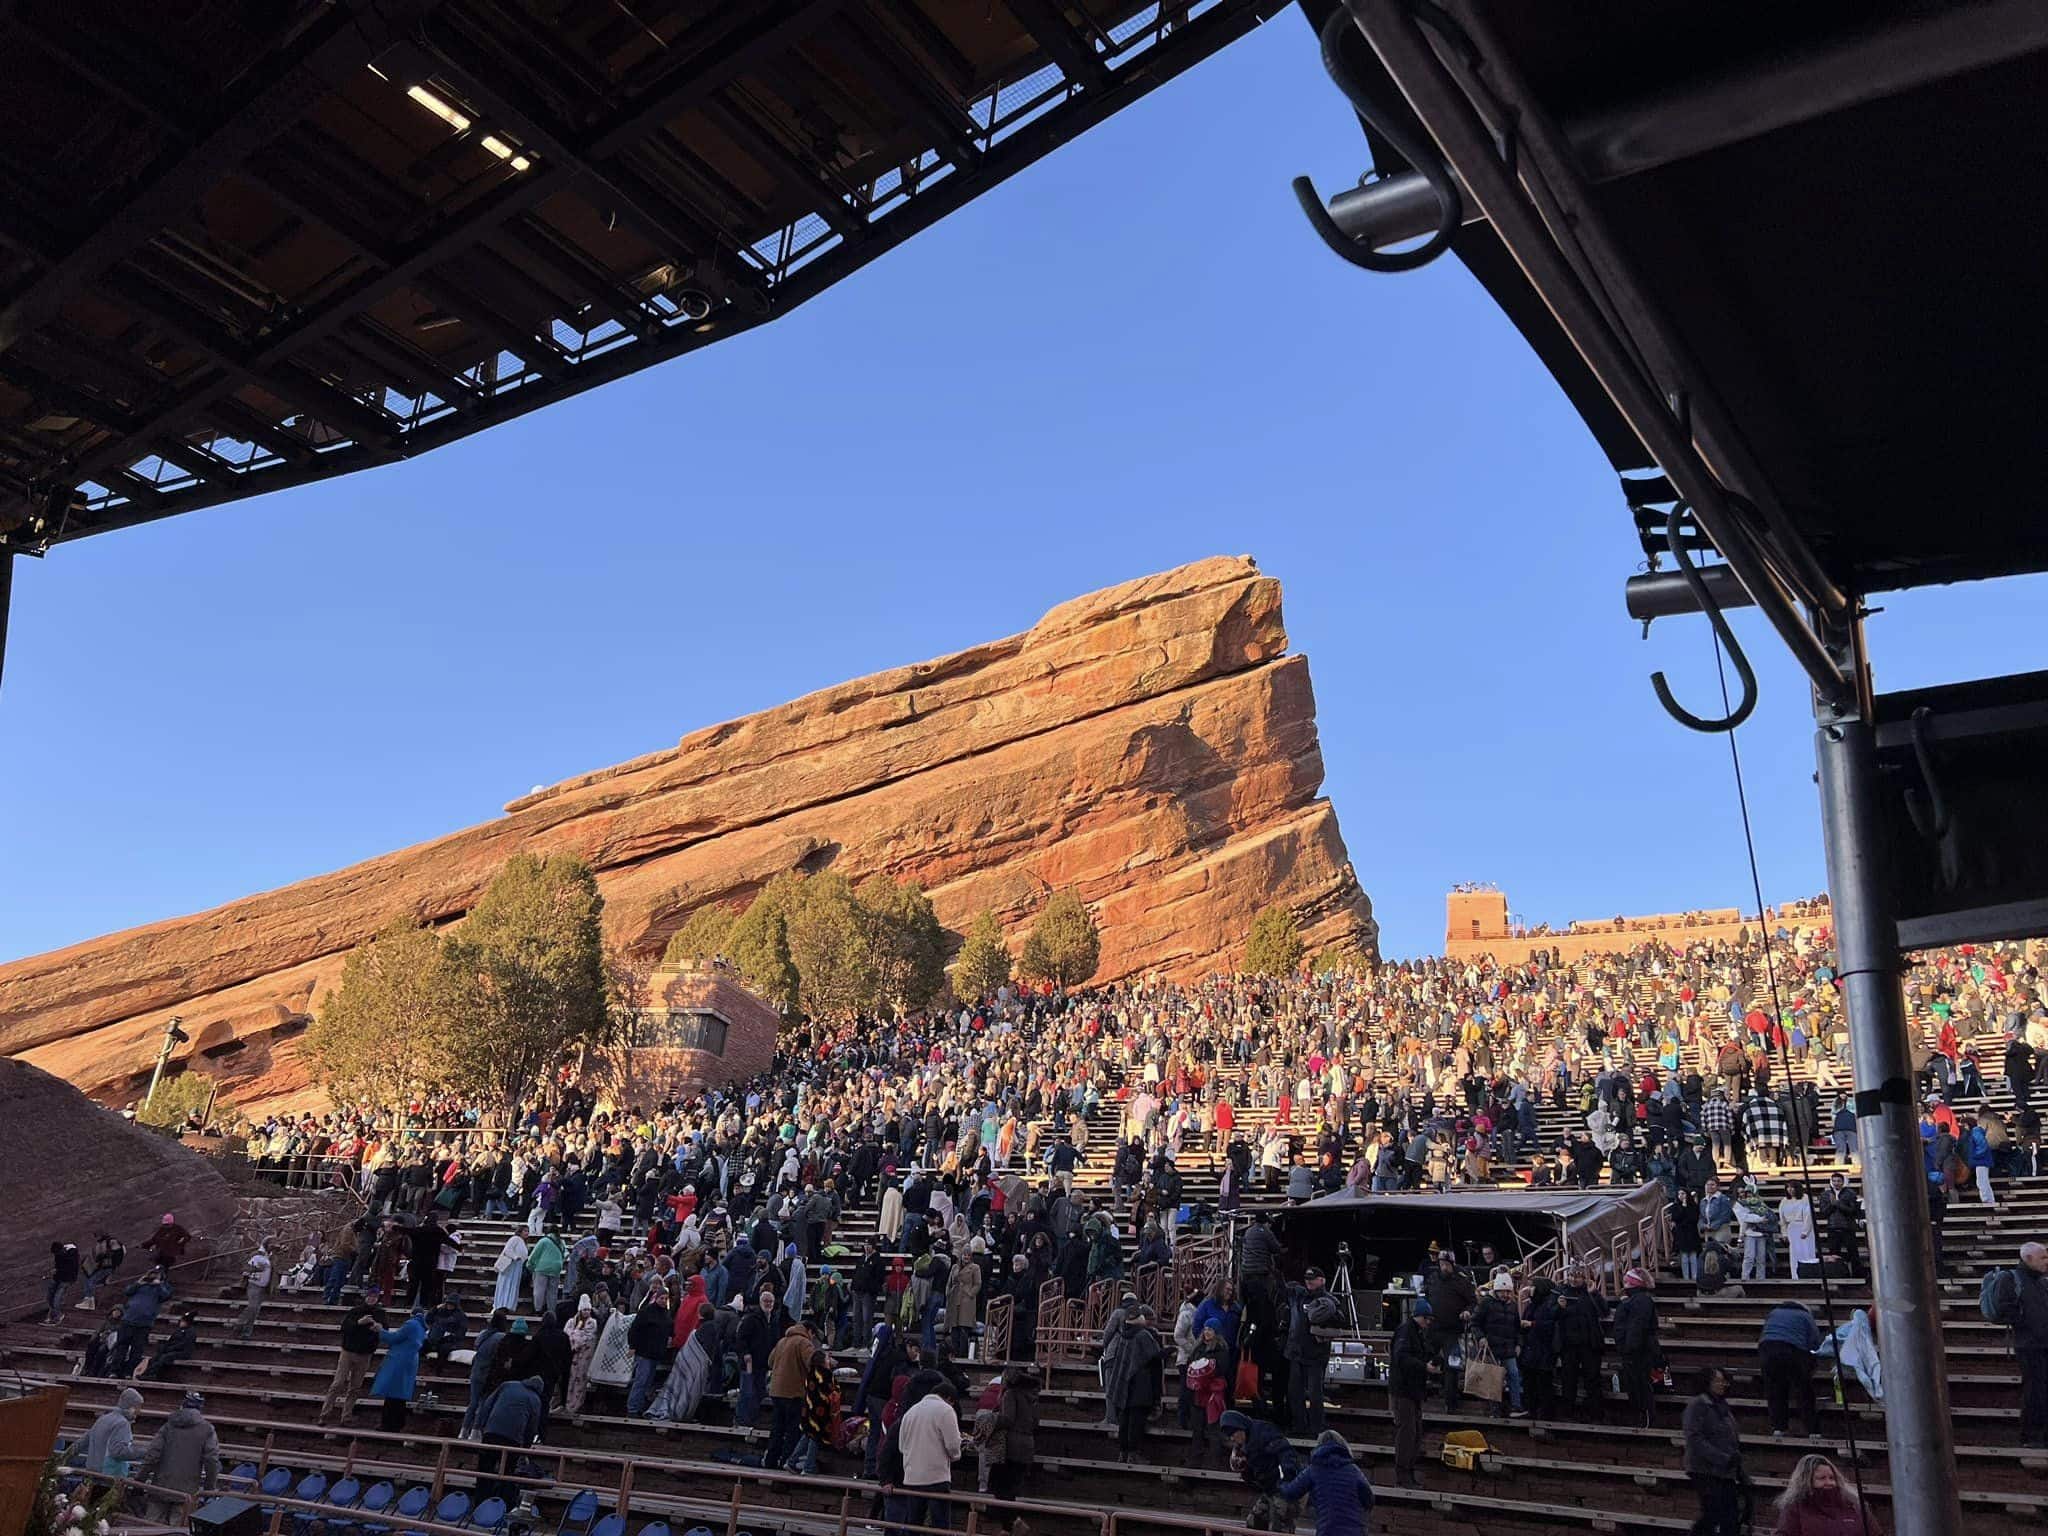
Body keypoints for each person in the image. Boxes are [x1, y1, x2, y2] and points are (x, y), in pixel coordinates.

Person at [1681, 1367, 1748, 1536]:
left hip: (1726, 1471)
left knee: (1731, 1516)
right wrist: (1722, 1458)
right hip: (1705, 1470)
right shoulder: (1697, 1404)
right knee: (1713, 1515)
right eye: (1718, 1381)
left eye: (1724, 1381)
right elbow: (1694, 1438)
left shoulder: (1722, 1406)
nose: (1722, 1384)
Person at [136, 1391, 220, 1524]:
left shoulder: (168, 1426)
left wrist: (140, 1480)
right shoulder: (207, 1430)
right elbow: (211, 1460)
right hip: (187, 1492)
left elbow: (152, 1455)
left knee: (149, 1526)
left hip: (160, 1487)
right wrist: (209, 1489)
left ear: (182, 1405)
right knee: (177, 1530)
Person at [1276, 1430, 1374, 1536]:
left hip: (1327, 1530)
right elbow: (1369, 1499)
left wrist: (1280, 1481)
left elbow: (1290, 1492)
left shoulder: (1314, 1469)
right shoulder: (1354, 1470)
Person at [897, 1376, 963, 1533]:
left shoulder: (911, 1411)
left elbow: (901, 1446)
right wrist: (955, 1456)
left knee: (913, 1524)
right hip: (937, 1477)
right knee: (940, 1525)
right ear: (948, 1398)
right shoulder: (946, 1410)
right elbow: (953, 1445)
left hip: (912, 1476)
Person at [1218, 1409, 1303, 1530]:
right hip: (1269, 1489)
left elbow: (1286, 1454)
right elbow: (1254, 1478)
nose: (1232, 1439)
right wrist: (1245, 1471)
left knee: (1279, 1526)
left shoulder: (1264, 1432)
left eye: (1233, 1434)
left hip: (1286, 1487)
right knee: (1253, 1524)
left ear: (1240, 1428)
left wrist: (1286, 1483)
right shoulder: (1242, 1446)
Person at [1103, 1304, 1164, 1463]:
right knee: (1136, 1420)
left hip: (1124, 1383)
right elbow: (1154, 1357)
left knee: (1125, 1418)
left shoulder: (1123, 1334)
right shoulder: (1143, 1335)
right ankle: (1133, 1454)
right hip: (1140, 1383)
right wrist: (1168, 1351)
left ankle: (1122, 1453)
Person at [1284, 1267, 1341, 1434]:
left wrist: (1323, 1319)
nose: (1309, 1281)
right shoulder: (1298, 1295)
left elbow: (1340, 1322)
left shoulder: (1329, 1300)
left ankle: (1317, 1428)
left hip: (1316, 1355)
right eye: (1307, 1278)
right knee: (1295, 1393)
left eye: (1313, 1278)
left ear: (1322, 1280)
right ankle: (1299, 1426)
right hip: (1296, 1352)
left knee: (1315, 1394)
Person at [475, 1374, 546, 1505]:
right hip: (513, 1439)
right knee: (507, 1473)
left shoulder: (508, 1385)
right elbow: (532, 1426)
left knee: (484, 1469)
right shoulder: (535, 1399)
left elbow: (487, 1405)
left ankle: (479, 1503)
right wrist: (526, 1448)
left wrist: (480, 1426)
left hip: (491, 1433)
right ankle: (501, 1504)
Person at [1773, 1453, 1883, 1535]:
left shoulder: (1855, 1506)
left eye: (1832, 1478)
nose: (1829, 1482)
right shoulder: (1794, 1509)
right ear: (1806, 1481)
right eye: (1821, 1478)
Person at [1758, 1300, 1823, 1439]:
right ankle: (1813, 1430)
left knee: (1774, 1390)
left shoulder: (1774, 1313)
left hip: (1767, 1349)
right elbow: (1815, 1341)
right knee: (1803, 1390)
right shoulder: (1805, 1316)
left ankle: (1779, 1428)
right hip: (1792, 1350)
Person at [1386, 1301, 1433, 1489]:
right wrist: (1424, 1367)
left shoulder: (1416, 1333)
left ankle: (1408, 1473)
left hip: (1412, 1391)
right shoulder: (1407, 1331)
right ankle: (1403, 1475)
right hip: (1403, 1390)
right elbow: (1402, 1358)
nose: (1428, 1323)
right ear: (1420, 1316)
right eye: (1427, 1319)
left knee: (1414, 1433)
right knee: (1407, 1433)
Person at [318, 1298, 384, 1426]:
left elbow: (384, 1330)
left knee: (355, 1387)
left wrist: (379, 1328)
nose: (372, 1298)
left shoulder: (380, 1313)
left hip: (365, 1354)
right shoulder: (355, 1311)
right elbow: (344, 1328)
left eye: (375, 1295)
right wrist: (359, 1323)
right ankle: (324, 1415)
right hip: (348, 1351)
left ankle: (346, 1417)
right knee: (338, 1383)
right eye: (370, 1295)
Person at [2008, 1241, 2048, 1447]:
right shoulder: (2018, 1280)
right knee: (2035, 1392)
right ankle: (2032, 1436)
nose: (2047, 1261)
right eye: (2043, 1257)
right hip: (2030, 1345)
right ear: (2028, 1259)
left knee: (2040, 1390)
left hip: (2040, 1344)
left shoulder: (2039, 1281)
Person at [1613, 1269, 1661, 1428]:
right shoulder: (1638, 1300)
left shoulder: (1639, 1301)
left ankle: (1646, 1418)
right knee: (1637, 1386)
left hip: (1636, 1353)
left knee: (1639, 1386)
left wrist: (1628, 1348)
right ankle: (1643, 1416)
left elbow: (1636, 1327)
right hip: (1635, 1350)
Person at [765, 1317, 814, 1470]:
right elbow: (812, 1363)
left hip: (776, 1391)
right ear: (809, 1331)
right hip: (794, 1392)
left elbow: (770, 1362)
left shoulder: (782, 1341)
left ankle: (770, 1461)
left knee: (777, 1429)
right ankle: (786, 1461)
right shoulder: (804, 1342)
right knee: (793, 1430)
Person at [371, 1307, 428, 1431]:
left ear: (412, 1314)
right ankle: (398, 1424)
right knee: (400, 1394)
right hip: (410, 1361)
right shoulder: (422, 1328)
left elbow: (394, 1338)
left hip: (399, 1360)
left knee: (391, 1393)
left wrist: (380, 1330)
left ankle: (387, 1424)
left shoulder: (411, 1324)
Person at [111, 1268, 175, 1379]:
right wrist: (139, 1282)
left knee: (137, 1350)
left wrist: (158, 1284)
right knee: (121, 1348)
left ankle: (129, 1372)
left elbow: (166, 1296)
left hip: (144, 1324)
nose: (153, 1276)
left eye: (156, 1274)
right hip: (128, 1321)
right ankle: (114, 1371)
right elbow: (127, 1291)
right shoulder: (140, 1285)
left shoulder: (162, 1288)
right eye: (152, 1274)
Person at [988, 1366, 1039, 1501]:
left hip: (1010, 1447)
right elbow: (1036, 1422)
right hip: (1027, 1445)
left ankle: (1007, 1520)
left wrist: (991, 1421)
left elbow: (1008, 1419)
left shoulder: (1010, 1394)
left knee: (1001, 1488)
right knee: (1014, 1488)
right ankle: (1011, 1520)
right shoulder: (1031, 1397)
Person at [626, 1283, 672, 1417]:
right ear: (656, 1298)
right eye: (661, 1298)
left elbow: (669, 1329)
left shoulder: (666, 1314)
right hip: (644, 1352)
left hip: (656, 1353)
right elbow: (634, 1330)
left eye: (665, 1298)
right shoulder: (646, 1312)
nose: (663, 1301)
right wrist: (632, 1346)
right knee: (641, 1380)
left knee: (648, 1382)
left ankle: (640, 1406)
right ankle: (633, 1408)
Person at [75, 1386, 143, 1475]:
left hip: (91, 1473)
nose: (139, 1411)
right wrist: (144, 1453)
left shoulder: (102, 1419)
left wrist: (63, 1458)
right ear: (132, 1407)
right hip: (109, 1476)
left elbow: (82, 1443)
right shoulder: (122, 1424)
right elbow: (118, 1452)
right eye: (138, 1407)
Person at [235, 1241, 273, 1338]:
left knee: (255, 1311)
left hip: (264, 1287)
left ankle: (246, 1333)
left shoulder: (270, 1257)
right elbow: (246, 1268)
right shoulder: (256, 1256)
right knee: (253, 1307)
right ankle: (240, 1323)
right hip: (254, 1284)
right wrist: (257, 1269)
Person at [47, 1240, 81, 1323]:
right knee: (49, 1297)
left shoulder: (72, 1255)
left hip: (67, 1279)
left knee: (57, 1298)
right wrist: (56, 1270)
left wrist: (57, 1270)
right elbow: (58, 1265)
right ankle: (52, 1314)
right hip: (58, 1277)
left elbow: (70, 1268)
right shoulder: (58, 1254)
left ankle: (58, 1316)